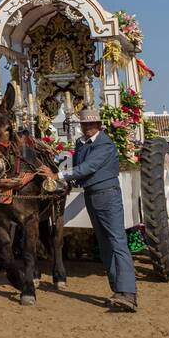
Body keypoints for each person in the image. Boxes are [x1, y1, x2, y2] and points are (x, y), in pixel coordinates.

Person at [54, 108, 137, 311]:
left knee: (116, 241)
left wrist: (59, 176)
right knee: (105, 243)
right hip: (92, 196)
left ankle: (129, 292)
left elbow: (88, 167)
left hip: (107, 195)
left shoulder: (105, 144)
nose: (88, 127)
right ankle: (118, 290)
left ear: (99, 125)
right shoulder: (81, 144)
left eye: (91, 124)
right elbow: (80, 170)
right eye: (84, 124)